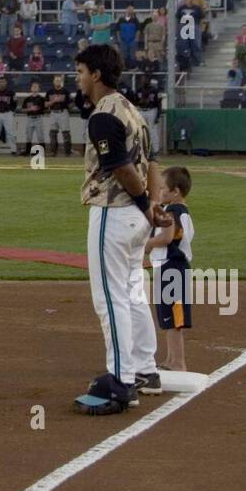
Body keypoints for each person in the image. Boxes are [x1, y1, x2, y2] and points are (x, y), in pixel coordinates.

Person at [73, 44, 170, 415]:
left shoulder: (103, 115)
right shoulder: (134, 112)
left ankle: (120, 379)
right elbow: (153, 161)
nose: (78, 77)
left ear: (97, 74)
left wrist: (147, 204)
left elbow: (120, 167)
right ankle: (145, 369)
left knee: (109, 298)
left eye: (81, 71)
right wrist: (153, 204)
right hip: (135, 217)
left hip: (114, 213)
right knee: (131, 293)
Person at [146, 166, 195, 374]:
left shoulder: (174, 211)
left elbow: (166, 238)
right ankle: (170, 360)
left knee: (174, 320)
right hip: (169, 268)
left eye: (164, 188)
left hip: (172, 269)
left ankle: (178, 362)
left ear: (175, 191)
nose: (160, 191)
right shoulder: (178, 211)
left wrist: (146, 245)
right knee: (168, 316)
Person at [0, 76, 18, 155]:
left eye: (3, 82)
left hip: (8, 113)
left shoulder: (11, 92)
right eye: (0, 82)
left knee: (10, 133)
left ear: (6, 82)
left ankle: (13, 150)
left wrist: (12, 110)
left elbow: (15, 103)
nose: (2, 83)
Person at [45, 75, 71, 156]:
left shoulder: (66, 91)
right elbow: (46, 105)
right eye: (56, 80)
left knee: (66, 133)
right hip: (53, 112)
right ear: (53, 82)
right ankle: (53, 152)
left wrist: (66, 104)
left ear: (61, 82)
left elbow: (71, 103)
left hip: (63, 112)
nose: (58, 82)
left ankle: (67, 152)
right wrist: (54, 101)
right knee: (52, 133)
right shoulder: (49, 92)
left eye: (59, 81)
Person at [22, 82, 46, 155]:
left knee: (40, 136)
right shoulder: (27, 99)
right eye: (33, 86)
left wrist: (38, 108)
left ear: (39, 89)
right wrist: (30, 109)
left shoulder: (42, 99)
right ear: (31, 88)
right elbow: (23, 109)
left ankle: (42, 152)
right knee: (28, 136)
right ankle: (27, 151)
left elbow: (45, 108)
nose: (35, 88)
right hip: (30, 118)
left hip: (38, 118)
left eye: (36, 87)